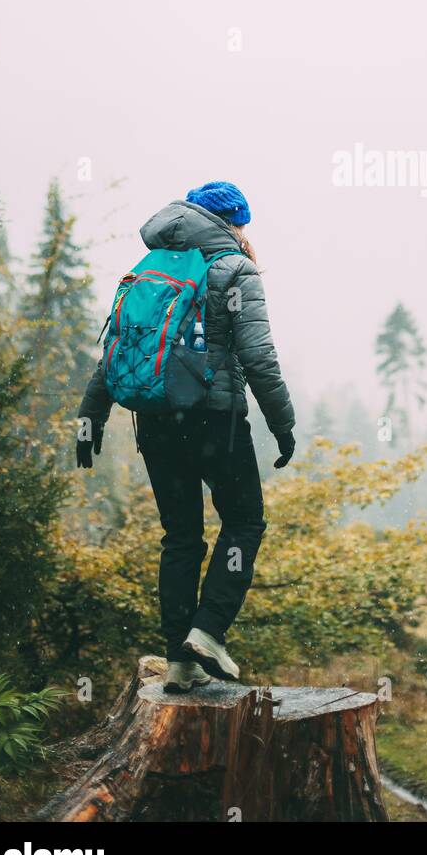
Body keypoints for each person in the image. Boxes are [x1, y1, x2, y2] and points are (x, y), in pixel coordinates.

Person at [76, 181, 295, 693]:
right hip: (215, 421)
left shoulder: (149, 266)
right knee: (244, 521)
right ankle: (209, 631)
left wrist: (91, 418)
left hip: (155, 421)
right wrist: (281, 424)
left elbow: (116, 349)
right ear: (234, 223)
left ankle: (180, 660)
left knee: (181, 539)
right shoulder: (234, 269)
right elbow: (259, 358)